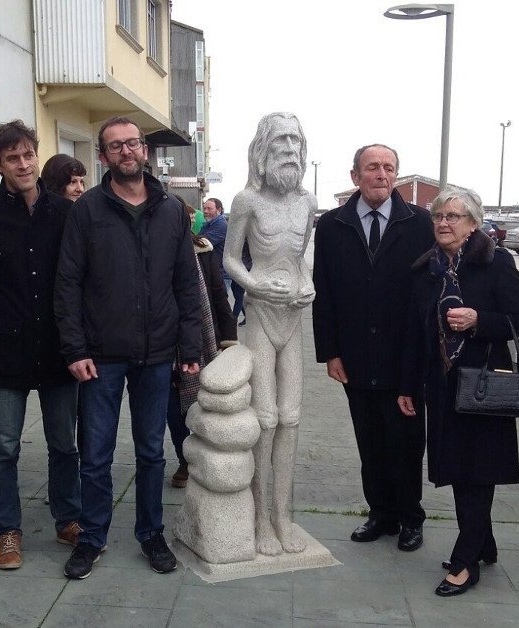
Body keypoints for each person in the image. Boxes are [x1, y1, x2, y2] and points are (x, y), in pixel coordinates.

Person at [55, 116, 201, 579]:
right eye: (115, 146)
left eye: (132, 143)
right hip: (101, 355)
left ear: (144, 150)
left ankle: (151, 533)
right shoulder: (87, 210)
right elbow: (68, 283)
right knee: (96, 455)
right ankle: (91, 537)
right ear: (103, 157)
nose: (126, 151)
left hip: (156, 354)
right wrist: (75, 349)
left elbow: (186, 283)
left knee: (152, 452)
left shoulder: (171, 209)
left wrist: (190, 347)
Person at [0, 120, 82, 570]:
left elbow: (77, 281)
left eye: (29, 154)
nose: (24, 164)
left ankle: (68, 517)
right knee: (3, 447)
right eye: (13, 158)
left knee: (64, 443)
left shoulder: (65, 213)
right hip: (2, 350)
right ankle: (7, 531)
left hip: (56, 349)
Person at [397, 187, 519, 596]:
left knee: (478, 472)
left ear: (473, 223)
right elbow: (414, 334)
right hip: (442, 384)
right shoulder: (427, 268)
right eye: (438, 216)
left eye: (453, 216)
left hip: (483, 383)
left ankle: (465, 561)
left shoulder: (496, 262)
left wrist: (478, 319)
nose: (443, 223)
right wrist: (407, 385)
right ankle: (483, 544)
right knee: (458, 470)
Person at [313, 143, 434, 553]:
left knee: (406, 442)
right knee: (370, 441)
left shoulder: (420, 223)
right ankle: (381, 514)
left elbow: (429, 293)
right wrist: (330, 351)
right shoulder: (333, 226)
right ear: (355, 176)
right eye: (372, 167)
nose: (382, 174)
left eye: (389, 167)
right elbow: (324, 292)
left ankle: (411, 518)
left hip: (405, 358)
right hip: (356, 356)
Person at [225, 112, 317, 555]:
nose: (290, 149)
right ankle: (260, 518)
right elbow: (230, 259)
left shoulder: (307, 202)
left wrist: (308, 282)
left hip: (292, 318)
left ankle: (283, 516)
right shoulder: (247, 201)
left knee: (291, 417)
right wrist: (254, 286)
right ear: (263, 148)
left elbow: (302, 256)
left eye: (295, 141)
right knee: (265, 418)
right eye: (281, 141)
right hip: (261, 314)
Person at [167, 201, 237, 488]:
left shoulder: (203, 250)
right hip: (167, 342)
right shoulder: (156, 251)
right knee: (173, 409)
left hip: (204, 339)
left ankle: (206, 456)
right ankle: (185, 458)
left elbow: (219, 295)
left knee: (203, 403)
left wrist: (229, 339)